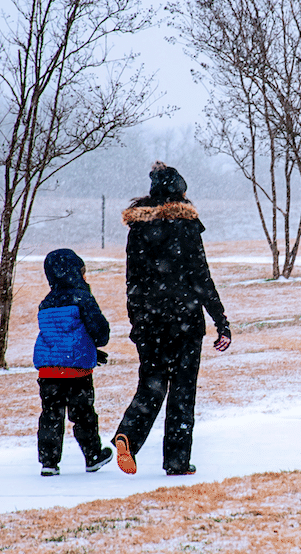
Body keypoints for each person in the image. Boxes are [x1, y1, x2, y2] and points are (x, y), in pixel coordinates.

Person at [111, 161, 232, 476]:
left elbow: (132, 283)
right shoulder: (187, 226)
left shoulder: (138, 229)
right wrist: (221, 320)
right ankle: (176, 460)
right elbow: (201, 278)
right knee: (182, 390)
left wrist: (137, 322)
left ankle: (128, 434)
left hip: (150, 321)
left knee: (151, 384)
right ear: (179, 193)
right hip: (185, 321)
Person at [33, 248, 114, 477]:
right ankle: (92, 455)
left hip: (48, 369)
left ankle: (49, 462)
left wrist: (91, 351)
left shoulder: (46, 303)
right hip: (76, 370)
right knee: (83, 414)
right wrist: (95, 346)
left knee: (50, 414)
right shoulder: (82, 298)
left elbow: (58, 337)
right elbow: (100, 332)